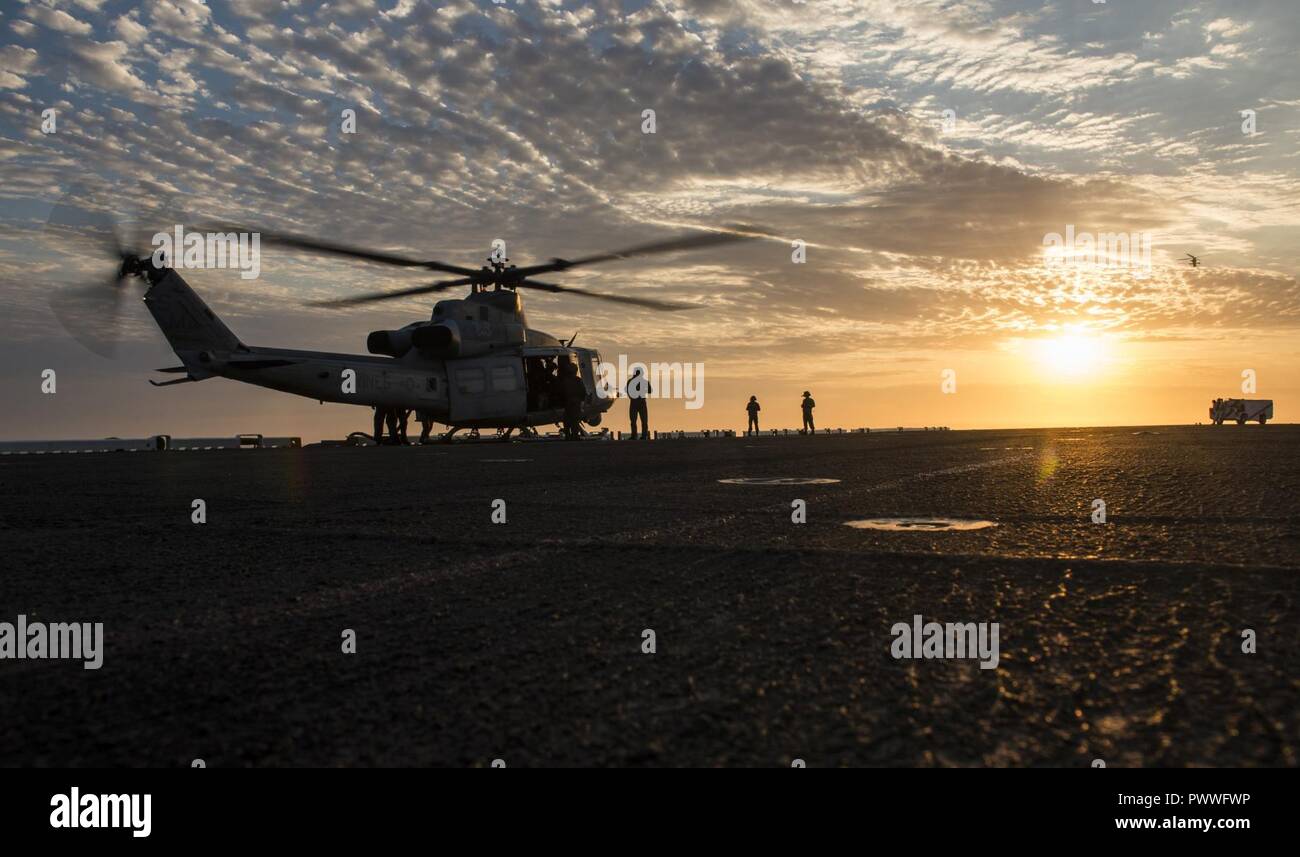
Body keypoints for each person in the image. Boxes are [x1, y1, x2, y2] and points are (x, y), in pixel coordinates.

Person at [560, 359, 587, 440]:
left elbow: (562, 393)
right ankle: (574, 435)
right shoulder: (578, 380)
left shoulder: (565, 381)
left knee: (567, 420)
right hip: (575, 404)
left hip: (568, 404)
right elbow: (583, 392)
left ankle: (569, 435)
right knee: (574, 420)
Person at [626, 367, 651, 440]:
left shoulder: (631, 381)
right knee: (640, 420)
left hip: (636, 402)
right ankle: (641, 435)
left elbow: (628, 392)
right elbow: (649, 390)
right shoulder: (643, 381)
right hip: (638, 402)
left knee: (638, 420)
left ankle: (638, 435)